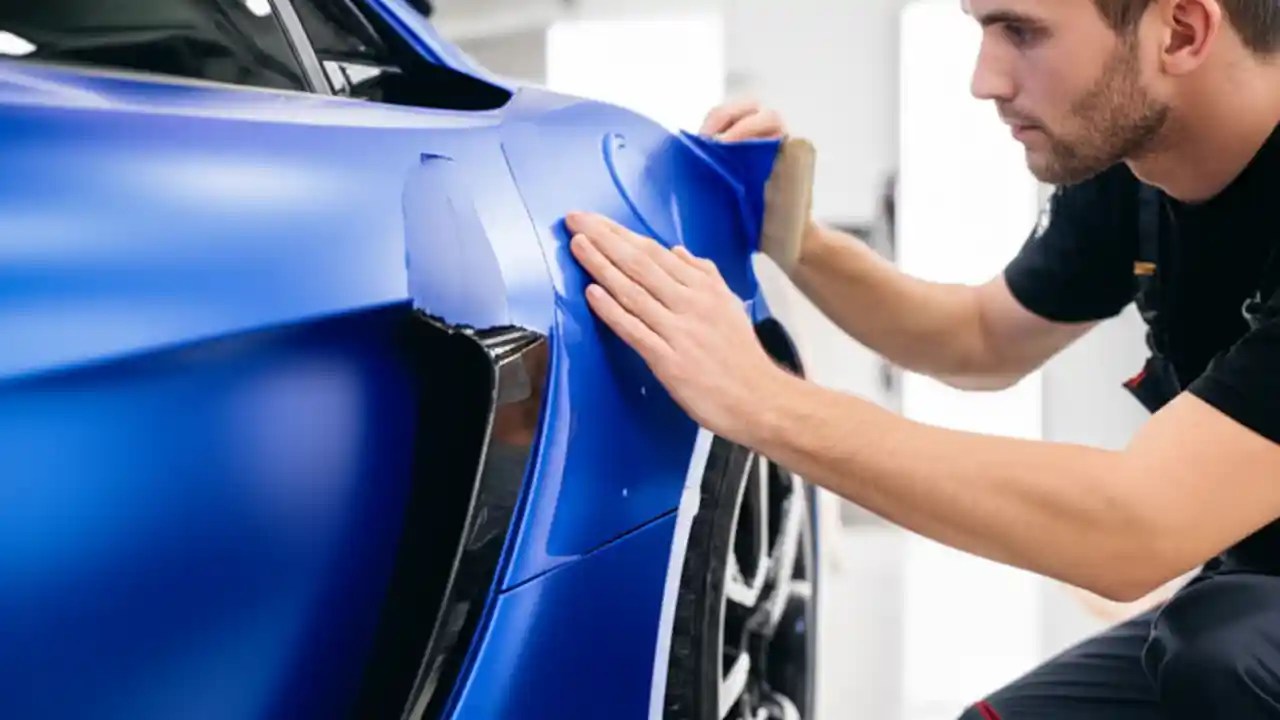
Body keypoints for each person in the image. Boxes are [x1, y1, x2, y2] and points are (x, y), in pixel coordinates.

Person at [564, 0, 1280, 717]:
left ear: (1181, 31)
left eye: (1022, 31)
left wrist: (763, 400)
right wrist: (795, 236)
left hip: (1240, 623)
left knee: (1221, 653)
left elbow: (1136, 526)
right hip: (1251, 585)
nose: (984, 79)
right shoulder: (1136, 171)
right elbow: (979, 338)